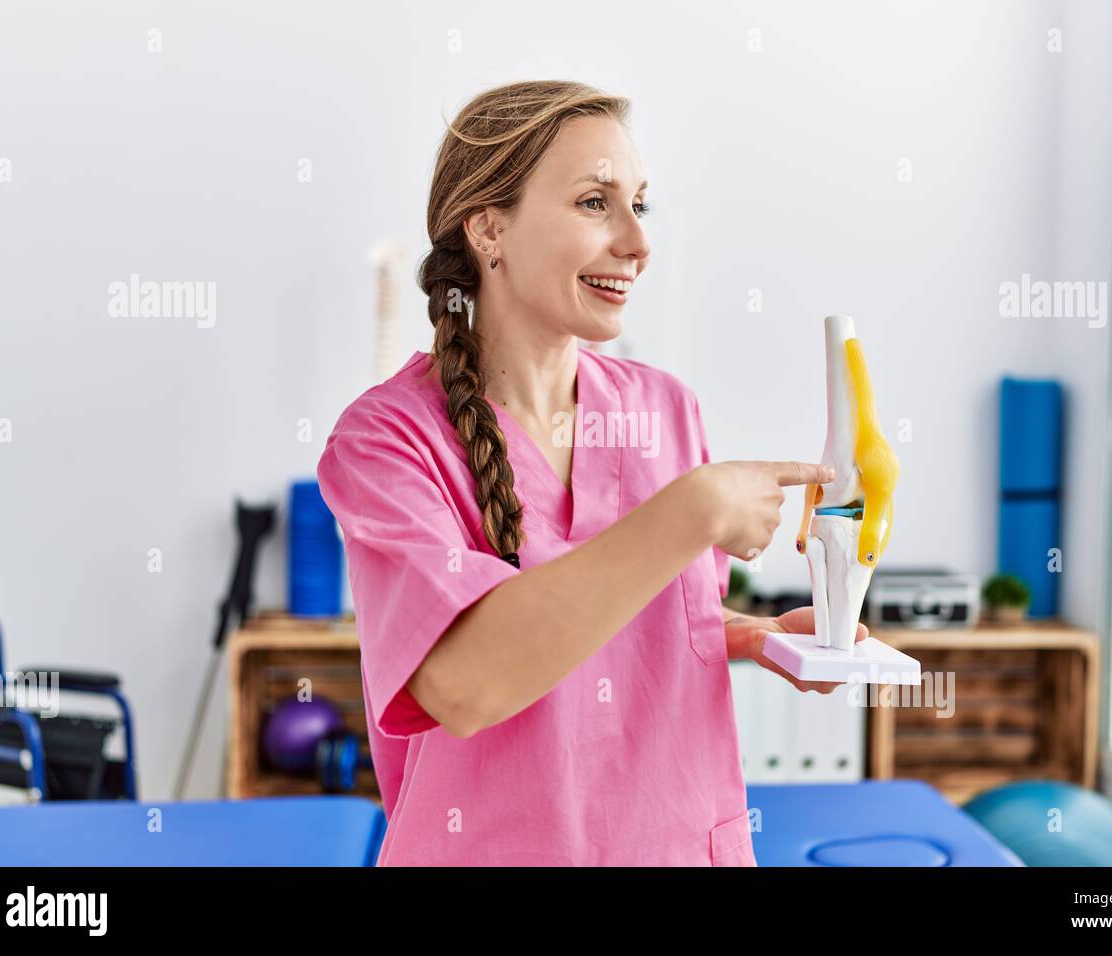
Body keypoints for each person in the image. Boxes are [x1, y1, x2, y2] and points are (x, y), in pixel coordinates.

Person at [316, 80, 865, 866]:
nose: (637, 242)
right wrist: (695, 510)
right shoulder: (387, 439)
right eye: (594, 203)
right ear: (488, 228)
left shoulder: (666, 410)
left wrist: (752, 639)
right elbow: (465, 685)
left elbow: (632, 629)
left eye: (641, 204)